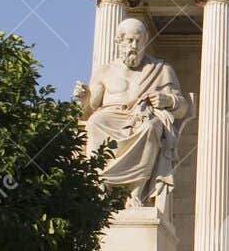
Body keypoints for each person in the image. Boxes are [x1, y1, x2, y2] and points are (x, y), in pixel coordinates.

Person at [74, 18, 190, 214]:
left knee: (151, 128)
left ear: (145, 41)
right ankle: (99, 187)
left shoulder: (161, 69)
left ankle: (136, 193)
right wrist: (83, 97)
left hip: (141, 118)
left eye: (139, 41)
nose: (134, 46)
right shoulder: (105, 71)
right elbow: (90, 108)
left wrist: (168, 100)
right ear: (118, 41)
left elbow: (183, 108)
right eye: (129, 40)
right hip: (110, 116)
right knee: (95, 122)